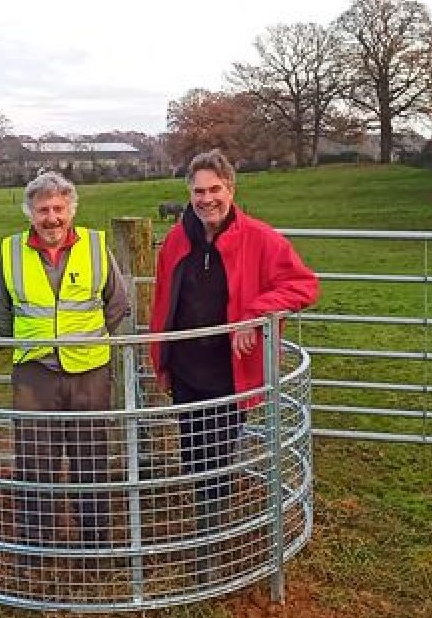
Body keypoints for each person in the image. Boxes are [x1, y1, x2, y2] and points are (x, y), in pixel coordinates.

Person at [148, 149, 318, 581]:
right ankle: (207, 531)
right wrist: (161, 356)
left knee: (219, 458)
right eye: (198, 190)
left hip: (230, 372)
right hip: (187, 368)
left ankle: (208, 547)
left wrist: (254, 313)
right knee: (193, 456)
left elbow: (303, 284)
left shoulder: (260, 238)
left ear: (231, 189)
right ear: (188, 192)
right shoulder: (176, 239)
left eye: (215, 189)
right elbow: (164, 300)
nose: (207, 199)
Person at [0, 171, 130, 565]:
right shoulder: (10, 251)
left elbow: (117, 304)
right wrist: (36, 340)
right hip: (35, 373)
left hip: (90, 373)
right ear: (30, 213)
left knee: (91, 459)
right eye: (43, 209)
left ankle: (94, 550)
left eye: (59, 209)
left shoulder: (96, 246)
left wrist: (84, 339)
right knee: (34, 462)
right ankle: (37, 549)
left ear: (72, 210)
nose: (52, 218)